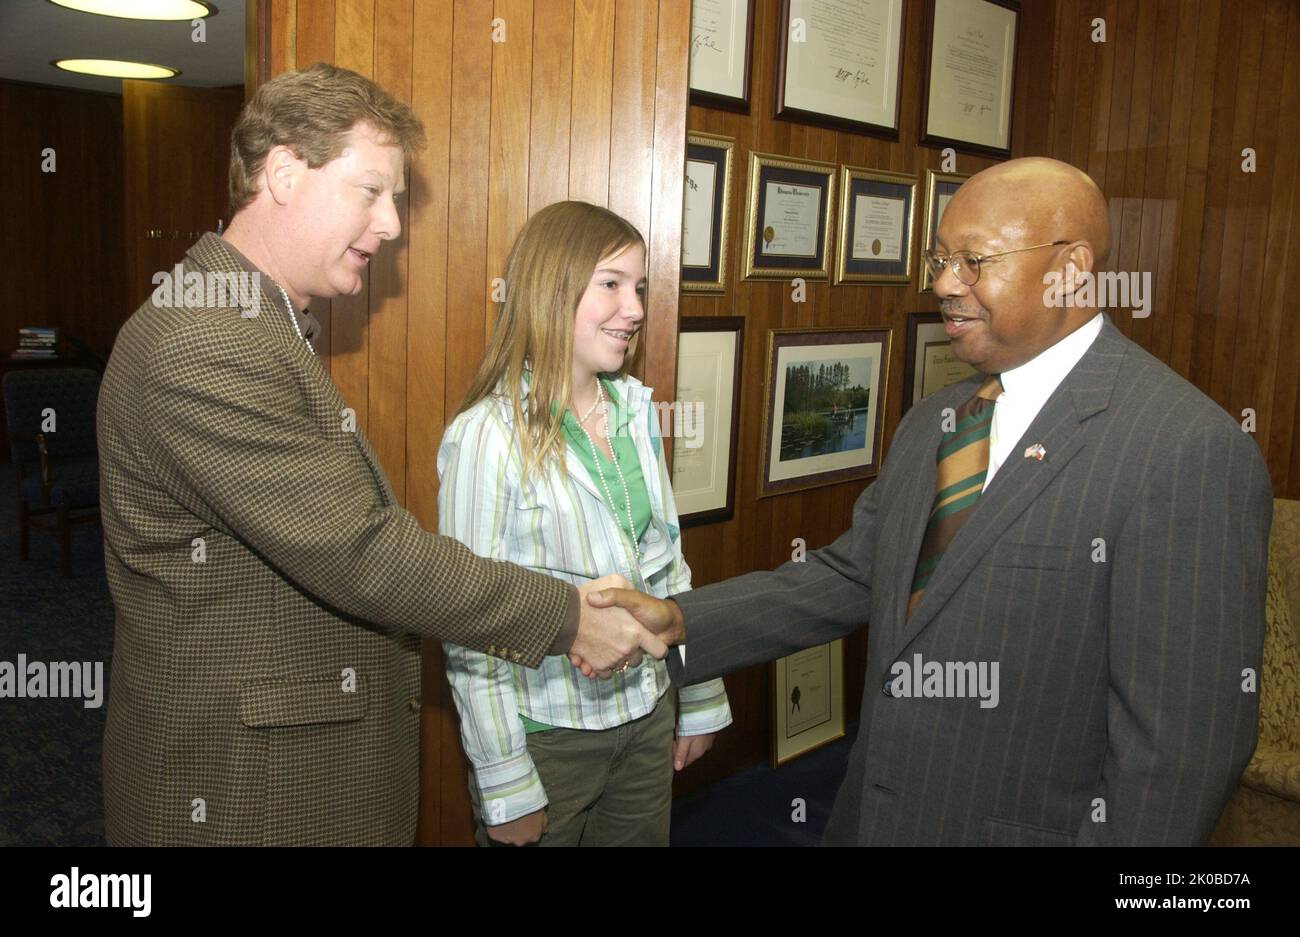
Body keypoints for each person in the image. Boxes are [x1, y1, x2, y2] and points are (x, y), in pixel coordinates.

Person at [590, 157, 1273, 845]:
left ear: (1070, 268)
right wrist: (678, 621)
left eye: (974, 260)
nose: (945, 284)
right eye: (940, 258)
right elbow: (852, 575)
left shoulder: (1186, 450)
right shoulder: (937, 422)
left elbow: (1180, 758)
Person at [96, 63, 668, 846]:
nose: (393, 223)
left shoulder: (252, 324)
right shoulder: (206, 340)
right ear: (284, 173)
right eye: (371, 191)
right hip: (245, 794)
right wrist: (565, 616)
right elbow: (360, 549)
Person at [438, 201, 732, 846]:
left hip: (647, 716)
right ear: (552, 289)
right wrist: (503, 779)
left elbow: (669, 566)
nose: (635, 308)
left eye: (640, 288)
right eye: (611, 284)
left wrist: (701, 696)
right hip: (548, 740)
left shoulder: (634, 410)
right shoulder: (486, 436)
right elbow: (467, 622)